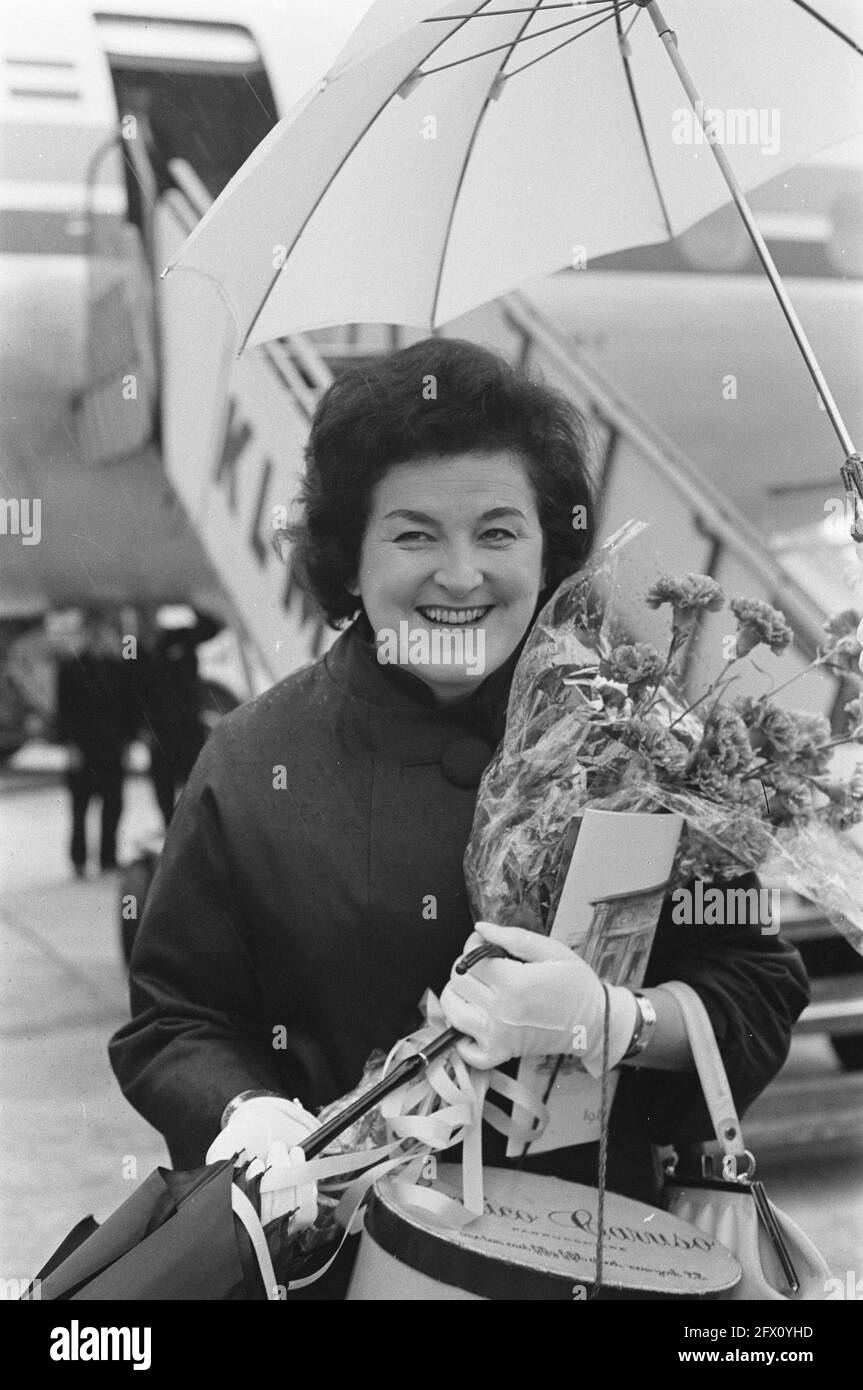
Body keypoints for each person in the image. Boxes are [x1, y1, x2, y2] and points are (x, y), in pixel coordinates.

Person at [109, 338, 808, 1297]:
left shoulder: (641, 749)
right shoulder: (255, 759)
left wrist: (617, 1020)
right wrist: (247, 1112)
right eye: (412, 535)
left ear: (549, 553)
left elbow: (755, 983)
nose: (459, 574)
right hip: (347, 1265)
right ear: (348, 560)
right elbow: (176, 1019)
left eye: (496, 532)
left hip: (609, 1259)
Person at [131, 606, 222, 828]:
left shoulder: (181, 637)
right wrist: (131, 635)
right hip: (159, 730)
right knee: (163, 787)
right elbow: (128, 663)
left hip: (187, 726)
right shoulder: (139, 650)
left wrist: (192, 605)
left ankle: (195, 829)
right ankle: (169, 828)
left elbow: (212, 628)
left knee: (195, 783)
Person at [56, 611, 130, 876]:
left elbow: (127, 709)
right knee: (80, 808)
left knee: (113, 805)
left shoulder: (117, 668)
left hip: (110, 747)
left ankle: (108, 858)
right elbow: (64, 710)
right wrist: (70, 745)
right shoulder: (71, 668)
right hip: (84, 747)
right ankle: (78, 860)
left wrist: (127, 743)